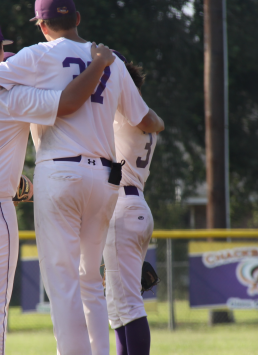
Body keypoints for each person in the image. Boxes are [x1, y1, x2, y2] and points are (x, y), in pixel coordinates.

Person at [0, 0, 164, 355]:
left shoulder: (34, 57)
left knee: (56, 285)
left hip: (51, 175)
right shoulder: (109, 59)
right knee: (90, 281)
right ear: (77, 18)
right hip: (106, 180)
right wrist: (102, 69)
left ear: (42, 25)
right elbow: (149, 121)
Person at [103, 56, 160, 355]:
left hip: (123, 209)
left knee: (128, 305)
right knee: (118, 307)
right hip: (132, 205)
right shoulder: (139, 112)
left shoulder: (125, 110)